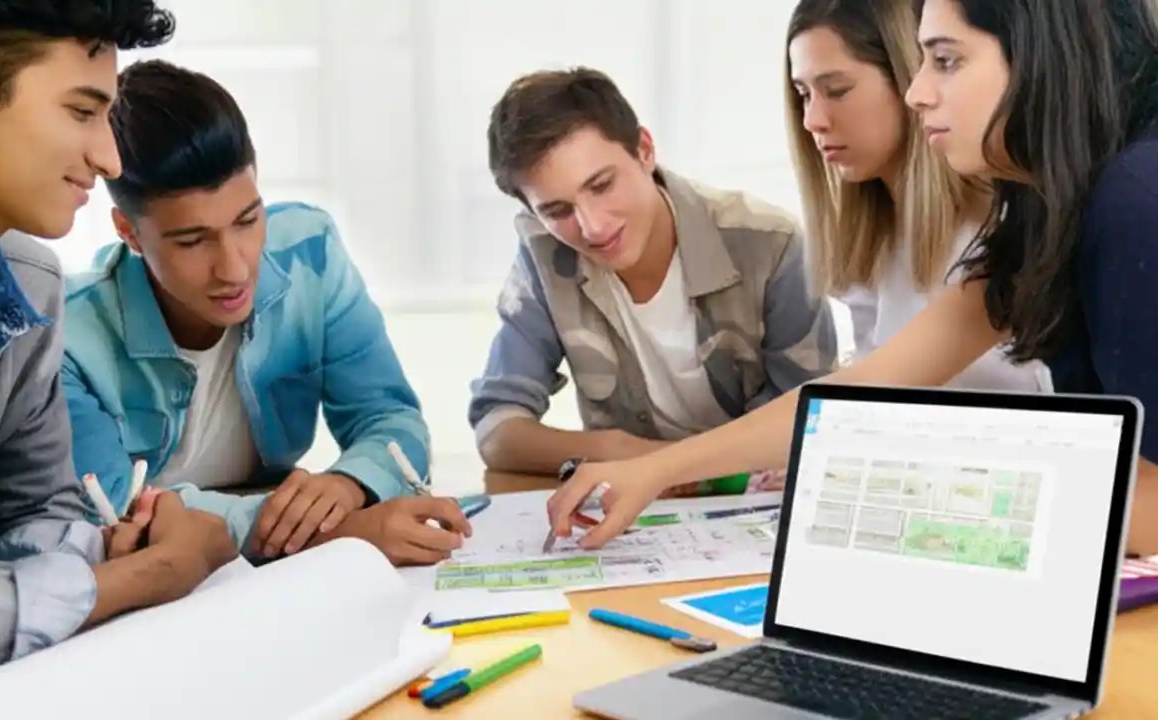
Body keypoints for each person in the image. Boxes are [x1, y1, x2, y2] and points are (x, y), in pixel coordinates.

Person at [548, 0, 1158, 556]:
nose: (917, 92)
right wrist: (660, 469)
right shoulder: (1044, 206)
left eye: (946, 60)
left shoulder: (1135, 200)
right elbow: (866, 385)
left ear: (1042, 56)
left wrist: (899, 503)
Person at [0, 1, 239, 701]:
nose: (109, 158)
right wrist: (144, 577)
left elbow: (34, 513)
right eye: (81, 112)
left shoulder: (27, 282)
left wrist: (112, 549)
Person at [63, 60, 471, 564]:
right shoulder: (67, 335)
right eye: (193, 241)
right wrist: (336, 535)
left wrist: (349, 484)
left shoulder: (309, 254)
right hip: (152, 585)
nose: (234, 269)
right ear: (129, 233)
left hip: (272, 577)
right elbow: (113, 508)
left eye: (247, 219)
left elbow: (389, 419)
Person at [469, 67, 837, 480]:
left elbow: (810, 421)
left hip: (752, 506)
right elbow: (498, 430)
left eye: (602, 185)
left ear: (644, 150)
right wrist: (617, 450)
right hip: (639, 514)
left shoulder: (771, 244)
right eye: (557, 211)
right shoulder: (544, 254)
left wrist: (661, 468)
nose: (592, 226)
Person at [787, 0, 1049, 391]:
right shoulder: (870, 241)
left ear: (907, 78)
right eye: (804, 95)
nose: (812, 121)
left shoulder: (1013, 228)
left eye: (837, 90)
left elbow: (861, 394)